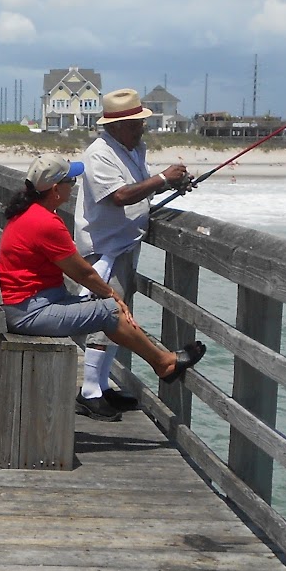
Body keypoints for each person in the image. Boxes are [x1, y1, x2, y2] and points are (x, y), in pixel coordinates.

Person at [0, 152, 203, 420]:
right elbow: (81, 271)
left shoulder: (27, 213)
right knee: (110, 311)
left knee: (108, 310)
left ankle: (153, 364)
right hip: (31, 313)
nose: (74, 186)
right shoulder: (45, 223)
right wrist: (113, 295)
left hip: (27, 305)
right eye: (70, 181)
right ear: (56, 189)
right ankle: (163, 363)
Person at [74, 88, 193, 419]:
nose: (142, 128)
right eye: (136, 123)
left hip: (125, 243)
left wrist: (171, 184)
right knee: (106, 319)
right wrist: (161, 178)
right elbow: (121, 196)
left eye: (142, 122)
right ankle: (90, 393)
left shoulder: (133, 148)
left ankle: (101, 387)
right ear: (116, 126)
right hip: (103, 249)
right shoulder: (98, 154)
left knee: (119, 318)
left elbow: (141, 188)